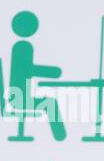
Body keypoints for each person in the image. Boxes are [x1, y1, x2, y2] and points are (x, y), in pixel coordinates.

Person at [6, 11, 66, 141]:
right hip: (18, 98)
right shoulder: (23, 47)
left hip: (19, 95)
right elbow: (27, 69)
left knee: (49, 102)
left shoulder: (21, 47)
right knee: (50, 103)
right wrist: (54, 72)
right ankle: (60, 136)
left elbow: (28, 69)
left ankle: (60, 137)